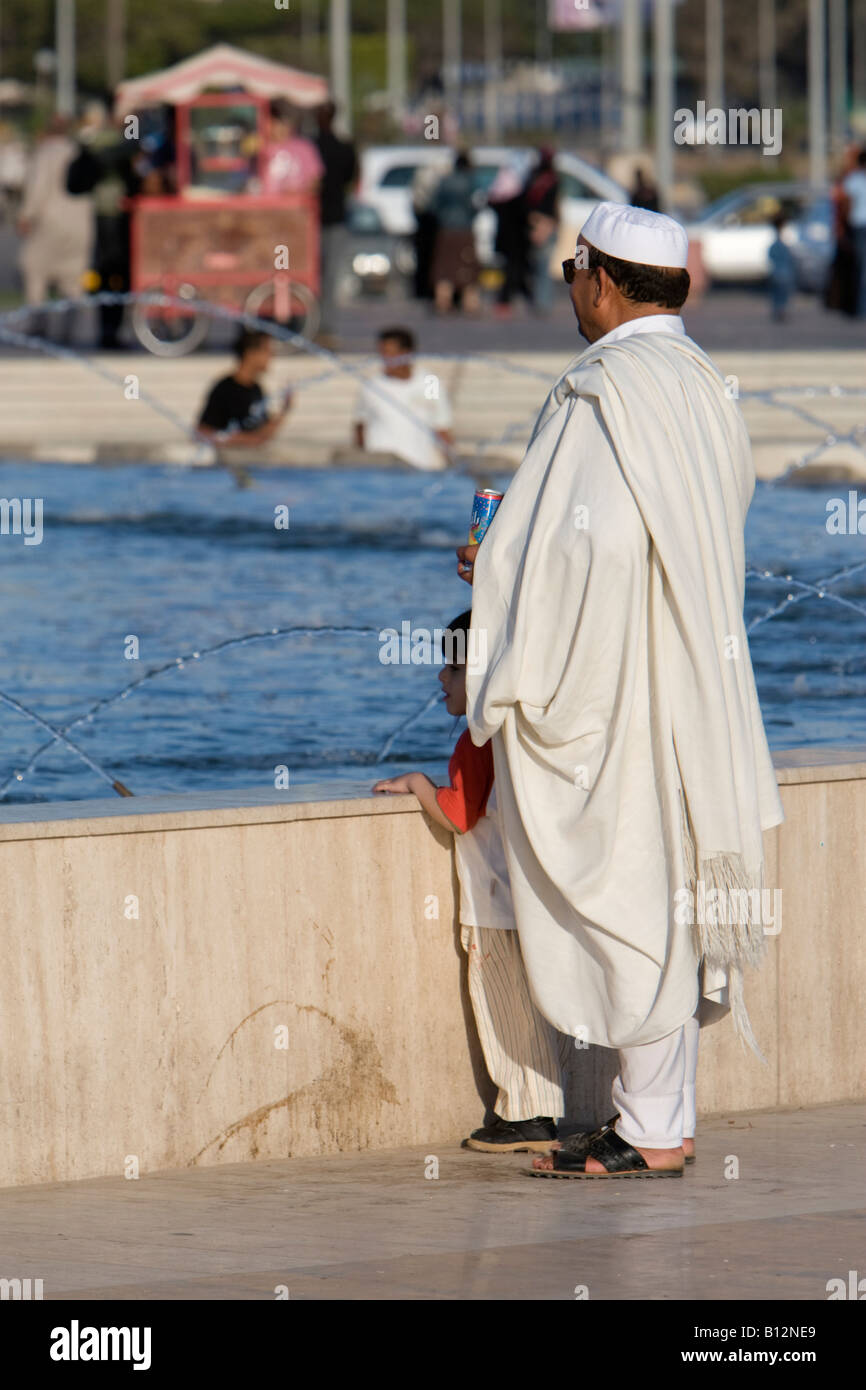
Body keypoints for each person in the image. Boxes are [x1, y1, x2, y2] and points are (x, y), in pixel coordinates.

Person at [456, 203, 783, 1179]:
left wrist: (507, 604)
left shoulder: (603, 390)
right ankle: (655, 1120)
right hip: (692, 671)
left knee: (631, 889)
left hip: (621, 681)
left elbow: (581, 545)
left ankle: (647, 1129)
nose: (567, 286)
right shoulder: (697, 384)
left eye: (570, 269)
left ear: (600, 276)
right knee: (667, 892)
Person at [372, 610, 565, 1150]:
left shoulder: (476, 740)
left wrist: (416, 783)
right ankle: (536, 1107)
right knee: (533, 1006)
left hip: (494, 903)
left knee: (504, 1004)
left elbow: (458, 815)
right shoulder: (521, 729)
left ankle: (528, 1114)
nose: (441, 679)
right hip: (532, 895)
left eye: (451, 668)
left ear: (476, 675)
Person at [66, 101, 140, 350]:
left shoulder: (109, 141)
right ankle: (109, 330)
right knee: (111, 274)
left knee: (110, 275)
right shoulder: (108, 141)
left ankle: (110, 329)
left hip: (112, 216)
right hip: (110, 217)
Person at [17, 116, 93, 335]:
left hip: (51, 222)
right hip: (81, 224)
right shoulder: (78, 152)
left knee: (34, 267)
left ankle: (38, 322)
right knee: (72, 278)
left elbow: (38, 188)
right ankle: (70, 327)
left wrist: (26, 215)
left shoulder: (46, 153)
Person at [353, 326, 454, 471]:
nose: (385, 359)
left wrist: (450, 462)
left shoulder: (429, 382)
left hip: (421, 466)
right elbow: (360, 425)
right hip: (382, 470)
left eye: (389, 354)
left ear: (406, 353)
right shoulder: (372, 386)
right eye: (382, 353)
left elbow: (441, 425)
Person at [196, 328, 292, 446]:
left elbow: (261, 435)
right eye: (267, 350)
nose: (271, 356)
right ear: (250, 353)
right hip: (229, 462)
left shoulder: (256, 389)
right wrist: (241, 440)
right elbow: (201, 432)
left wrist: (285, 410)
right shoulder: (225, 389)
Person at [314, 101, 357, 346]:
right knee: (330, 276)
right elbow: (351, 177)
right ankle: (325, 326)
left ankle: (316, 324)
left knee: (315, 275)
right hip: (336, 217)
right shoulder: (345, 147)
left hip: (312, 219)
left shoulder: (311, 146)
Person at [430, 151, 481, 315]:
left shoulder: (444, 181)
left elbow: (434, 205)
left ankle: (442, 302)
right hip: (465, 230)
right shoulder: (471, 182)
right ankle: (470, 304)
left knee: (445, 269)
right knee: (467, 268)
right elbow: (477, 205)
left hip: (446, 230)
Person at [488, 162, 530, 318]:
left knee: (509, 270)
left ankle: (509, 299)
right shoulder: (518, 197)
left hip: (504, 239)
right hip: (516, 241)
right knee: (513, 271)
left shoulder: (497, 197)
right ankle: (506, 300)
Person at [523, 146, 560, 314]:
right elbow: (555, 206)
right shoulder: (552, 180)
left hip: (537, 224)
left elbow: (528, 205)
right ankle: (542, 302)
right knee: (543, 267)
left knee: (538, 266)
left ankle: (539, 301)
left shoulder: (533, 179)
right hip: (546, 224)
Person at [262, 102, 323, 197]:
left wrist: (298, 192)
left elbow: (315, 182)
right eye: (276, 121)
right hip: (266, 208)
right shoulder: (261, 148)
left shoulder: (305, 147)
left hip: (296, 208)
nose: (281, 126)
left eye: (284, 121)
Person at [841, 146, 866, 318]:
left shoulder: (854, 179)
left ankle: (859, 307)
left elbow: (846, 203)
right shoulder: (854, 179)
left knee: (861, 267)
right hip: (859, 225)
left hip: (858, 226)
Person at [767, 213, 796, 322]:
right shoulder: (784, 239)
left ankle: (779, 310)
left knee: (778, 293)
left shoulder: (775, 241)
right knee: (783, 292)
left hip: (778, 270)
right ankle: (781, 310)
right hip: (784, 271)